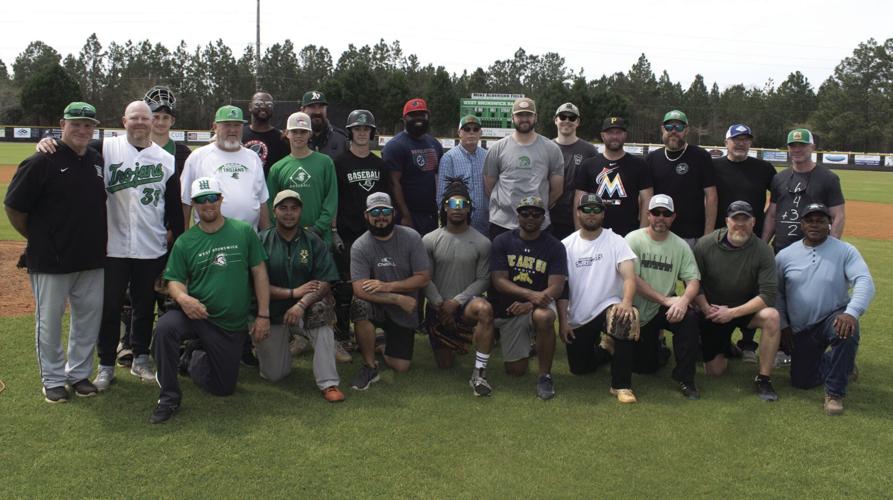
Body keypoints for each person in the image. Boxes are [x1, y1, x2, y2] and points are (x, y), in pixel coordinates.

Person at [35, 101, 182, 388]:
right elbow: (72, 147)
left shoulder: (165, 158)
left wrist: (174, 248)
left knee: (144, 306)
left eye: (145, 118)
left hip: (151, 245)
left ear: (152, 122)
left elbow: (174, 208)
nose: (140, 122)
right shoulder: (106, 148)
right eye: (134, 118)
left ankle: (140, 358)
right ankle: (106, 365)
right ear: (124, 121)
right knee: (109, 307)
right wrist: (47, 141)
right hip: (112, 246)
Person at [5, 102, 106, 403]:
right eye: (76, 124)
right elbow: (14, 207)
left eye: (88, 125)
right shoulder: (41, 160)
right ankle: (52, 379)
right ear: (63, 125)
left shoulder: (96, 159)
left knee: (87, 321)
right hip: (50, 259)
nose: (82, 130)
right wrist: (37, 237)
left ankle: (78, 374)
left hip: (91, 257)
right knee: (49, 322)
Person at [151, 177, 270, 423]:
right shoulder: (186, 241)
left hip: (229, 324)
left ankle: (192, 358)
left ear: (221, 200)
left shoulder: (243, 232)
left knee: (223, 388)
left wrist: (263, 315)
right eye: (201, 200)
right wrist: (183, 299)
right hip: (196, 314)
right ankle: (169, 397)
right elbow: (174, 281)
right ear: (193, 204)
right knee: (165, 328)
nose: (208, 204)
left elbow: (259, 272)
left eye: (212, 197)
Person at [776, 203, 874, 415]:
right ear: (801, 224)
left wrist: (851, 313)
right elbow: (777, 294)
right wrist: (783, 325)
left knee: (846, 329)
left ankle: (834, 394)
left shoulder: (845, 250)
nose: (815, 225)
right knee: (801, 381)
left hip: (833, 316)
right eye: (809, 221)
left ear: (829, 223)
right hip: (802, 328)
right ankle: (843, 364)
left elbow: (864, 281)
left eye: (820, 221)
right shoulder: (784, 255)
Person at [257, 190, 345, 402]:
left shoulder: (313, 240)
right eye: (283, 208)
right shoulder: (261, 240)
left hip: (305, 309)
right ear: (274, 211)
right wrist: (291, 293)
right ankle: (284, 345)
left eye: (294, 208)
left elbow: (325, 280)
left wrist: (301, 303)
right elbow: (255, 284)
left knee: (321, 310)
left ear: (300, 211)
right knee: (275, 374)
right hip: (271, 311)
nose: (289, 213)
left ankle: (329, 383)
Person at [693, 200, 782, 401]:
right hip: (714, 311)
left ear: (753, 222)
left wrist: (732, 313)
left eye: (745, 219)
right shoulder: (705, 245)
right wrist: (706, 308)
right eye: (735, 219)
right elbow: (693, 282)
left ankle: (764, 379)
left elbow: (768, 294)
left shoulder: (763, 250)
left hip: (743, 310)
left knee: (772, 316)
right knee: (715, 372)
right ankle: (726, 347)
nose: (740, 224)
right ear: (727, 221)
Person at [557, 194, 638, 403]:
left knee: (624, 318)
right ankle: (606, 348)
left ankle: (621, 386)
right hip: (579, 316)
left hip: (609, 306)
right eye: (586, 209)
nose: (591, 214)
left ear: (603, 214)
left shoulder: (616, 241)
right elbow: (562, 288)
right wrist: (563, 321)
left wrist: (626, 303)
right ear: (578, 213)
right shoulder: (565, 245)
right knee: (580, 369)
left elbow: (629, 277)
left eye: (596, 210)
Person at [349, 193, 431, 390]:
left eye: (385, 211)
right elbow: (359, 288)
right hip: (379, 304)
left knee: (401, 366)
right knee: (360, 305)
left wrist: (387, 286)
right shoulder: (360, 245)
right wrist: (396, 298)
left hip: (403, 310)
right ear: (366, 216)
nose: (381, 217)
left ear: (393, 213)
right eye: (375, 212)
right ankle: (370, 366)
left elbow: (423, 277)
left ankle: (379, 343)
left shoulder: (412, 237)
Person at [624, 194, 702, 399]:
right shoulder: (633, 239)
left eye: (666, 214)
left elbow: (693, 280)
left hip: (666, 305)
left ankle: (686, 378)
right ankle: (659, 351)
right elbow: (633, 279)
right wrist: (666, 300)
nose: (661, 218)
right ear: (648, 215)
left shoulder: (680, 245)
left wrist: (684, 301)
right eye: (656, 213)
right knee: (644, 368)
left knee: (689, 318)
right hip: (638, 308)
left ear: (673, 217)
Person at [490, 196, 567, 400]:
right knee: (515, 371)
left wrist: (530, 303)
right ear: (518, 216)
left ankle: (545, 376)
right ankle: (531, 343)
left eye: (536, 214)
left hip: (537, 306)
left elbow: (557, 286)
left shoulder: (555, 246)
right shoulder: (502, 241)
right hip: (510, 309)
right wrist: (530, 296)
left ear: (543, 218)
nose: (530, 218)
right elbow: (499, 281)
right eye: (525, 213)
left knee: (545, 317)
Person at [422, 180, 495, 396]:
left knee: (485, 309)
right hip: (438, 308)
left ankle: (479, 373)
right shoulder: (429, 240)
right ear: (445, 207)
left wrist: (456, 302)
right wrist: (440, 304)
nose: (457, 208)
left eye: (463, 204)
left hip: (466, 305)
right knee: (445, 365)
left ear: (469, 209)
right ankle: (454, 337)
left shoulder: (482, 242)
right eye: (452, 204)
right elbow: (424, 278)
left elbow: (483, 279)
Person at [713, 124, 777, 363]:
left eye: (745, 139)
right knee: (718, 286)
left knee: (751, 288)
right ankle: (719, 339)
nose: (741, 143)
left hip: (753, 239)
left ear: (750, 143)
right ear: (726, 142)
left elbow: (777, 202)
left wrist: (764, 236)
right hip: (720, 241)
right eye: (736, 139)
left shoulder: (764, 169)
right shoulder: (714, 167)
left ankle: (748, 343)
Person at [332, 109, 390, 347]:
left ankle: (371, 330)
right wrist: (334, 230)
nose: (362, 133)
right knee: (346, 287)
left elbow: (386, 201)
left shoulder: (380, 164)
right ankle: (343, 333)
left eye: (366, 129)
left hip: (374, 233)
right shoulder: (339, 163)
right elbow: (334, 199)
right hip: (348, 232)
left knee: (373, 284)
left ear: (372, 132)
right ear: (350, 132)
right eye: (357, 129)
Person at [180, 105, 270, 232]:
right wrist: (184, 235)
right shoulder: (198, 157)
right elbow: (185, 201)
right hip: (211, 236)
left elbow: (262, 200)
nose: (232, 130)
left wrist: (266, 235)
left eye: (237, 125)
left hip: (249, 236)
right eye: (227, 125)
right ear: (215, 127)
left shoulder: (253, 157)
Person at [484, 97, 564, 239]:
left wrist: (537, 209)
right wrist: (507, 205)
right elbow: (489, 186)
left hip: (538, 224)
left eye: (528, 115)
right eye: (520, 115)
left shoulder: (551, 148)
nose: (524, 119)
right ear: (512, 118)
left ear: (535, 117)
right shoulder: (497, 148)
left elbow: (557, 189)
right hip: (503, 224)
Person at [763, 128, 845, 252]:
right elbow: (772, 215)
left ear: (812, 147)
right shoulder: (779, 178)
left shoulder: (829, 178)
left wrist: (831, 249)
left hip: (814, 251)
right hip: (781, 250)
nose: (797, 150)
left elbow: (838, 216)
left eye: (802, 145)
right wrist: (763, 245)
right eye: (793, 146)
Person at [646, 110, 718, 245]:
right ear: (662, 129)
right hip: (658, 232)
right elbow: (645, 198)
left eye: (679, 127)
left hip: (691, 235)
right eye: (669, 127)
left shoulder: (701, 156)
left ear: (686, 130)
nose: (673, 131)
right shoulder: (652, 159)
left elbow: (711, 197)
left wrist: (708, 234)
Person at [266, 112, 338, 245]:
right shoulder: (277, 168)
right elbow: (271, 204)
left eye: (303, 132)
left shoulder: (325, 162)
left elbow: (331, 199)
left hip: (320, 237)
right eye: (294, 132)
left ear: (310, 134)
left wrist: (319, 227)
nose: (298, 136)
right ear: (287, 133)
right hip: (288, 237)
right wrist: (283, 229)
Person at [574, 116, 652, 237]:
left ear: (625, 135)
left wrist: (642, 235)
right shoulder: (588, 165)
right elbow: (579, 201)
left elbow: (647, 200)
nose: (614, 136)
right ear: (602, 136)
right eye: (610, 133)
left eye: (618, 132)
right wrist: (580, 235)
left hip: (628, 234)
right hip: (594, 233)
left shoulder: (639, 165)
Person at [382, 97, 443, 235]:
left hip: (430, 213)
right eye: (413, 115)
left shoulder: (434, 144)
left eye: (422, 114)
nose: (418, 118)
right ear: (404, 119)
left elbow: (438, 178)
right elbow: (393, 184)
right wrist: (405, 215)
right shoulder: (395, 146)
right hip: (408, 215)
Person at [550, 102, 598, 240]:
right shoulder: (546, 147)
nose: (567, 121)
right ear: (555, 120)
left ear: (578, 122)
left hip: (579, 218)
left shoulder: (589, 150)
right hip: (549, 218)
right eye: (562, 117)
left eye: (571, 118)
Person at [436, 115, 489, 235]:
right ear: (459, 132)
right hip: (458, 225)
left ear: (480, 133)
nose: (471, 132)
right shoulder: (449, 158)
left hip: (485, 225)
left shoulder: (487, 156)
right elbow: (442, 195)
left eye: (475, 129)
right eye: (467, 129)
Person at [144, 85, 192, 178]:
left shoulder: (183, 153)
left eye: (165, 117)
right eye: (156, 117)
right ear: (148, 118)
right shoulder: (136, 149)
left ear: (172, 121)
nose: (160, 122)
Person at [242, 91, 289, 177]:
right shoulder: (240, 134)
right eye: (258, 103)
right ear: (250, 107)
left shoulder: (281, 138)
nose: (263, 107)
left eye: (268, 104)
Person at [301, 90, 348, 161]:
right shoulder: (293, 140)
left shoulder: (341, 139)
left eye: (321, 107)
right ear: (302, 110)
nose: (317, 112)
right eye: (312, 107)